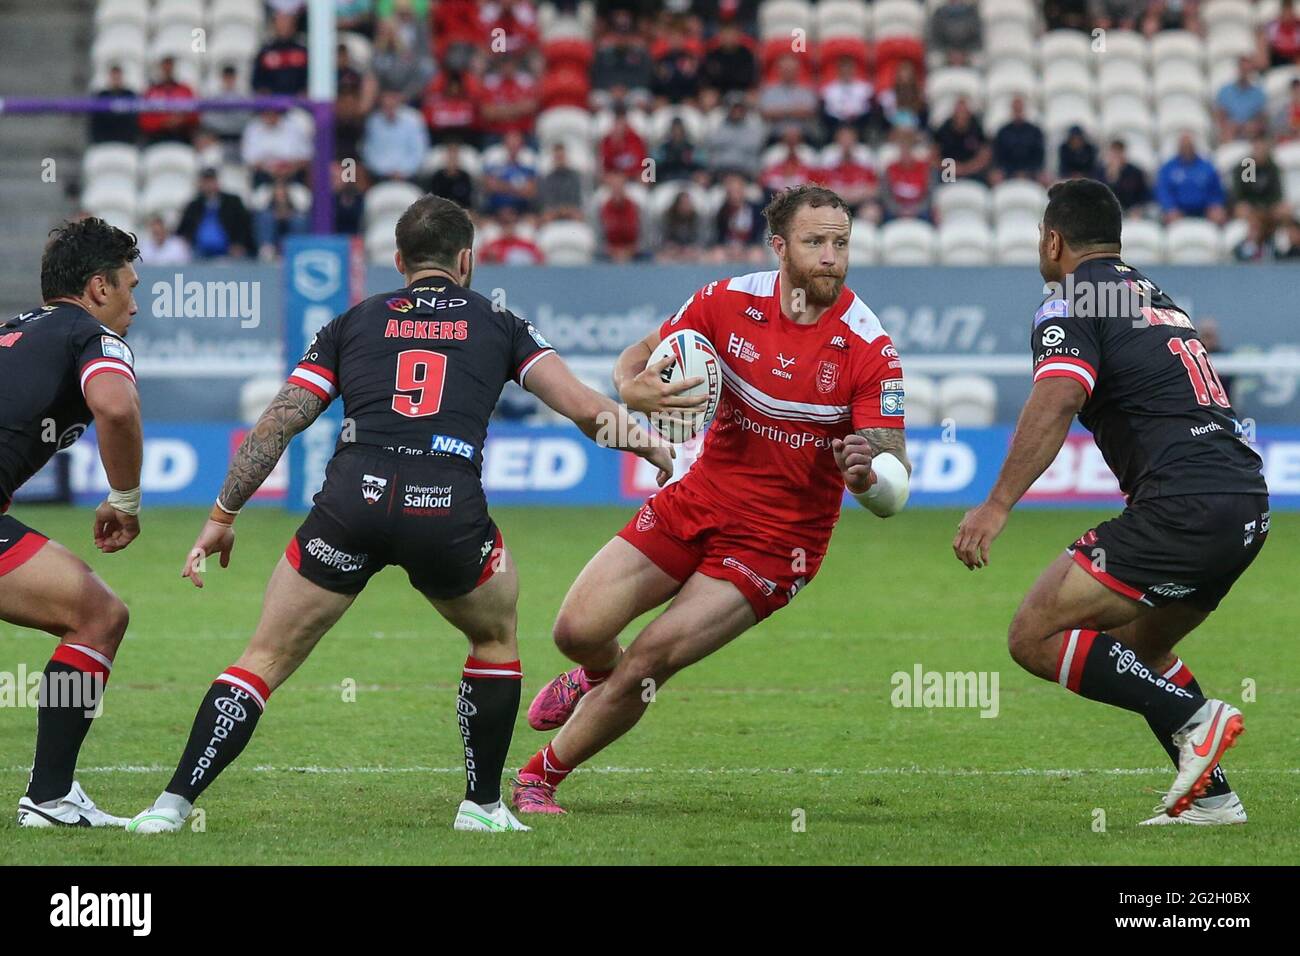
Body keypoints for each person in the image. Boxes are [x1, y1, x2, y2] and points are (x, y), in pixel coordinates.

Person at [127, 196, 672, 834]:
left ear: (399, 261)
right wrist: (656, 448)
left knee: (263, 657)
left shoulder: (355, 320)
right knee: (494, 640)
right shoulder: (500, 322)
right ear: (466, 260)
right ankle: (483, 807)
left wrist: (223, 512)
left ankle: (171, 806)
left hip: (351, 503)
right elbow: (583, 408)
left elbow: (281, 421)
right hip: (445, 507)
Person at [512, 185, 912, 815]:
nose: (831, 257)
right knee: (575, 630)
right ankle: (593, 675)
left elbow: (893, 478)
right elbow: (638, 359)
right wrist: (632, 389)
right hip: (697, 497)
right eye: (815, 243)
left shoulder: (867, 345)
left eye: (841, 243)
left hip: (779, 543)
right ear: (779, 246)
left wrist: (869, 478)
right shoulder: (727, 300)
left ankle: (539, 777)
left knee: (650, 658)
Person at [953, 179, 1268, 825]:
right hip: (1244, 502)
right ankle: (1212, 799)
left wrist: (997, 504)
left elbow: (1059, 397)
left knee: (1033, 634)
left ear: (1052, 240)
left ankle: (1195, 719)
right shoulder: (1153, 295)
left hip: (1184, 500)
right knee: (1139, 650)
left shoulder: (1068, 299)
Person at [4, 219, 144, 827]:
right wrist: (126, 498)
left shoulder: (12, 330)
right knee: (98, 616)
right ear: (98, 287)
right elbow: (115, 407)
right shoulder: (91, 336)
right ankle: (50, 797)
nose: (134, 306)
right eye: (130, 288)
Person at [177, 168, 254, 259]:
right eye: (206, 181)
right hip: (198, 253)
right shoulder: (193, 206)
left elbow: (244, 226)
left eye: (211, 181)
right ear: (200, 184)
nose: (209, 185)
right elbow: (182, 230)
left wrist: (238, 243)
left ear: (217, 182)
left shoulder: (233, 202)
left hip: (229, 252)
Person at [1155, 133, 1228, 224]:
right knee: (1170, 216)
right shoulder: (1168, 168)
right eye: (1184, 147)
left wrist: (1214, 205)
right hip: (1178, 209)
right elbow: (1163, 192)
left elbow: (1216, 191)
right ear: (1179, 148)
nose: (1186, 150)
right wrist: (1170, 207)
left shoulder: (1207, 167)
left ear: (1194, 147)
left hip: (1204, 209)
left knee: (1218, 215)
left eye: (1189, 146)